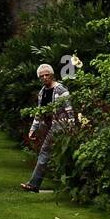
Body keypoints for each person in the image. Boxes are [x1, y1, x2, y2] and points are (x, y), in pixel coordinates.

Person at [21, 63, 74, 192]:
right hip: (48, 125)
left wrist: (71, 125)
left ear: (52, 75)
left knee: (45, 152)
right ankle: (70, 183)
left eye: (47, 75)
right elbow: (39, 112)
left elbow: (69, 108)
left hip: (60, 124)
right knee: (59, 154)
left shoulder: (61, 90)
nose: (45, 77)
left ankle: (34, 184)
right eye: (42, 76)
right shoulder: (42, 92)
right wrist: (33, 129)